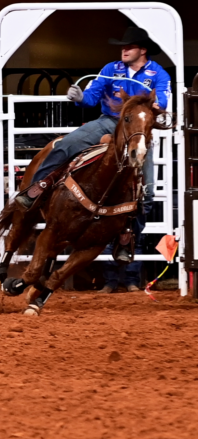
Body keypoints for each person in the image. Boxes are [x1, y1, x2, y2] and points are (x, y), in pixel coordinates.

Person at [14, 26, 171, 262]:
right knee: (66, 144)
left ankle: (126, 239)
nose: (124, 50)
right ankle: (38, 188)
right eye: (122, 47)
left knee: (146, 193)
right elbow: (92, 96)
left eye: (129, 47)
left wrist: (157, 105)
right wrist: (80, 98)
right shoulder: (110, 69)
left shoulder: (158, 74)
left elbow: (163, 99)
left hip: (136, 130)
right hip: (109, 122)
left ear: (143, 50)